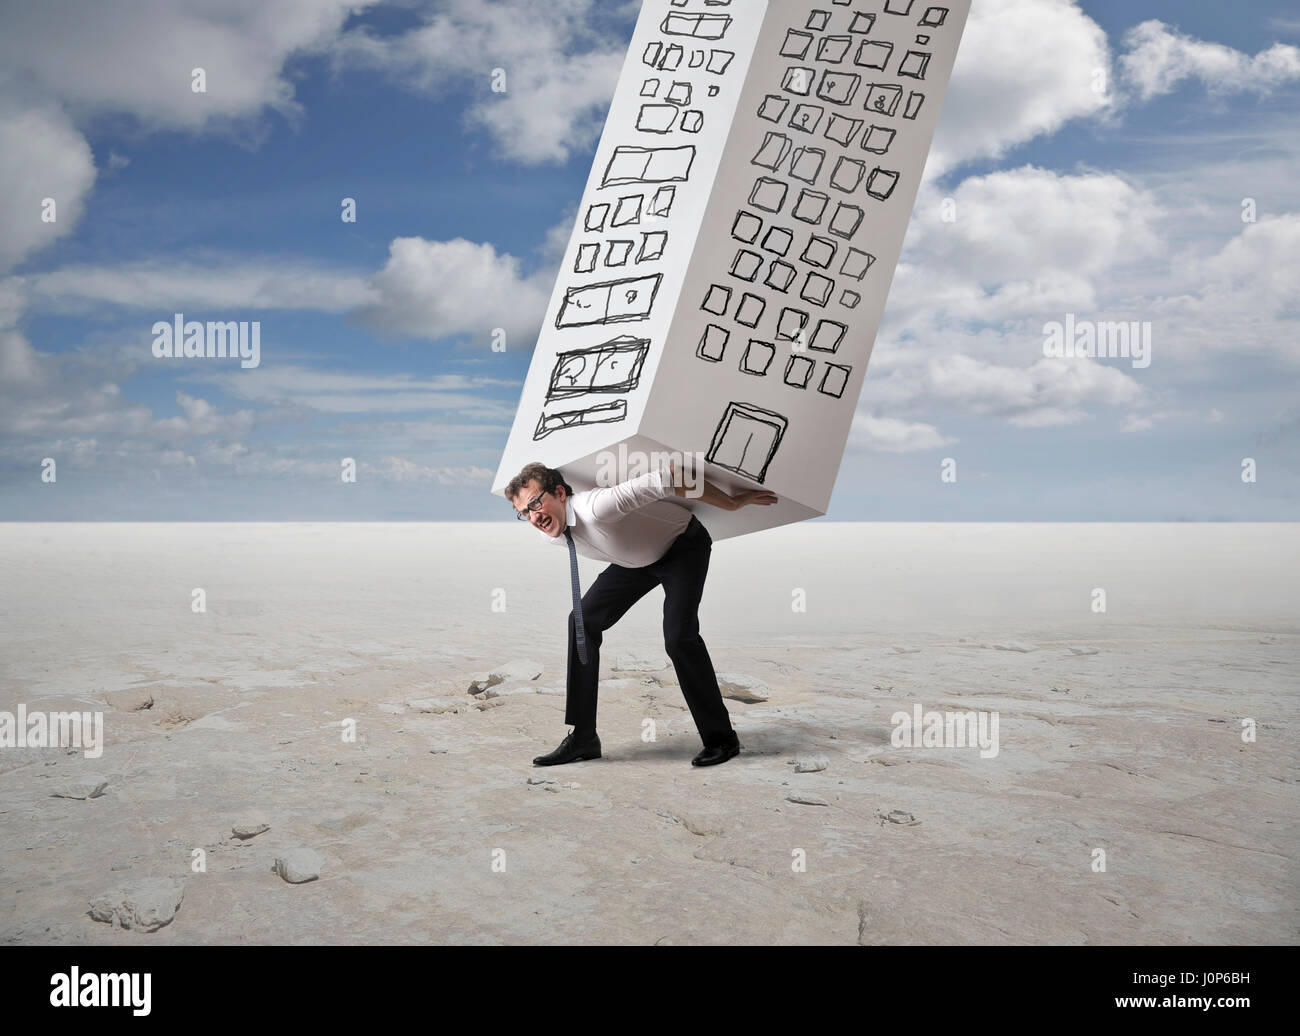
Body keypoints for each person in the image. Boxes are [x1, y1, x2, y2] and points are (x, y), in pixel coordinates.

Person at [505, 456, 777, 767]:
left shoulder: (598, 506)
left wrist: (731, 503)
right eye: (524, 513)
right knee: (582, 621)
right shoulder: (549, 533)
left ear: (560, 494)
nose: (533, 517)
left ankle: (721, 738)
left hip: (681, 548)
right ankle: (584, 738)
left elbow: (674, 475)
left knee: (679, 639)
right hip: (635, 562)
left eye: (536, 503)